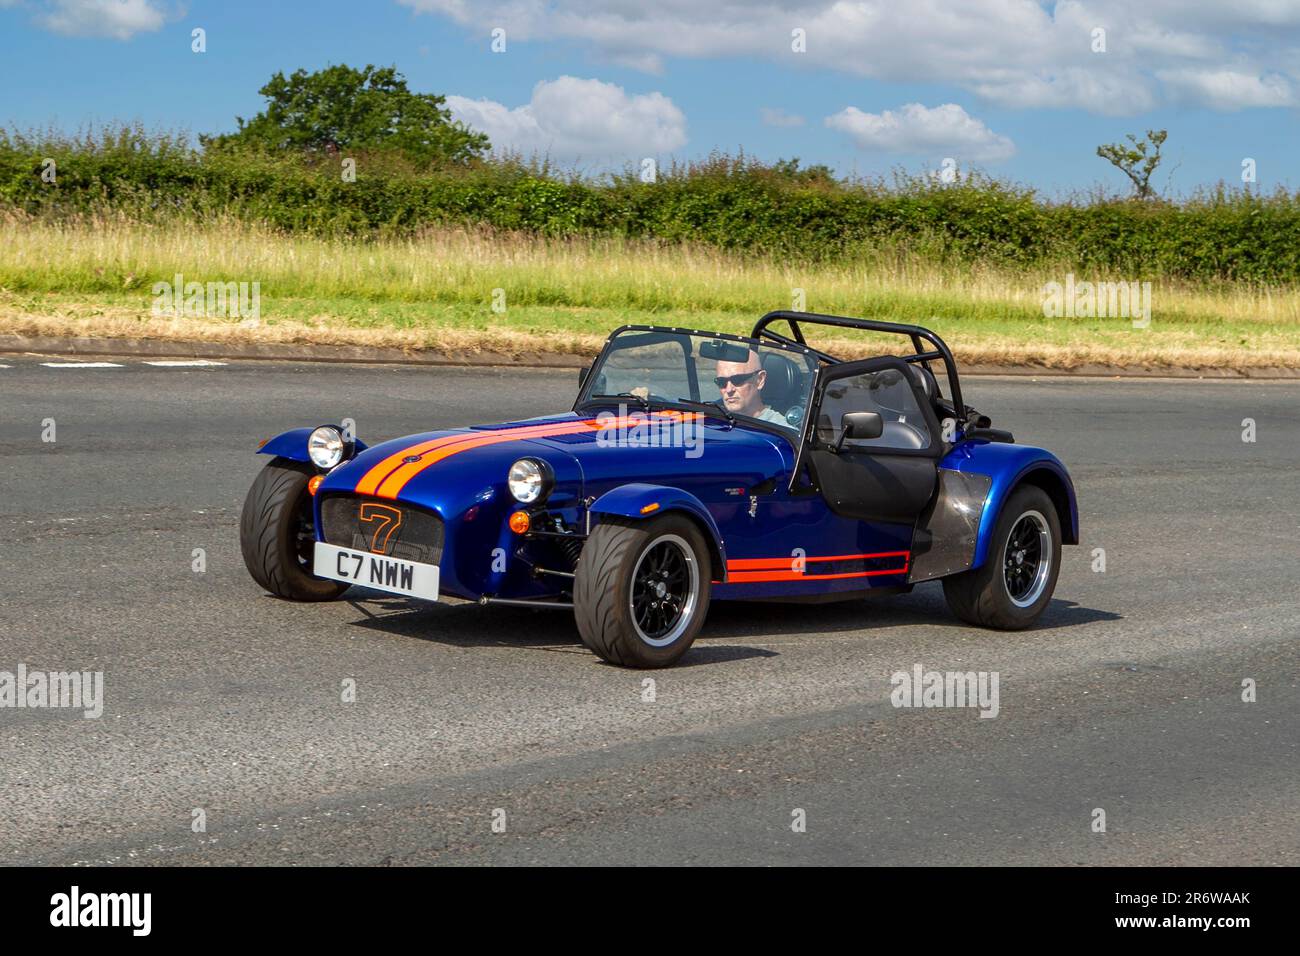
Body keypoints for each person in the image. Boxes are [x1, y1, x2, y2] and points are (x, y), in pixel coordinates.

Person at [715, 350, 788, 425]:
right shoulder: (709, 418)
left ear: (759, 380)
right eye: (721, 381)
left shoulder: (782, 431)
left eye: (738, 380)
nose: (729, 390)